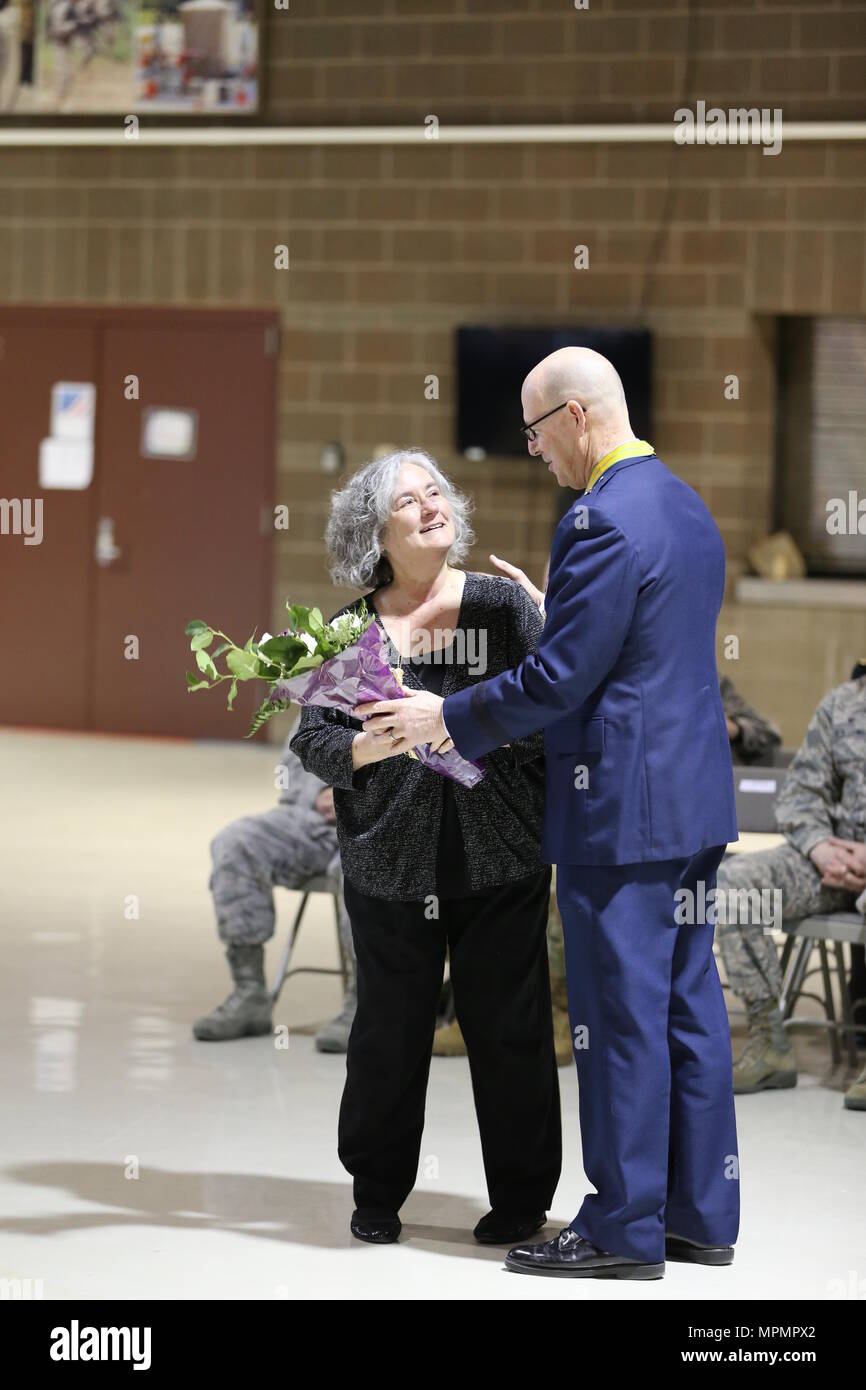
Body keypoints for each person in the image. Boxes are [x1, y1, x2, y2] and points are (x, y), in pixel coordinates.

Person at [358, 347, 740, 1279]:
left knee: (617, 1019)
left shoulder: (598, 519)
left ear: (573, 418)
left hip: (623, 810)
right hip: (692, 804)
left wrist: (445, 715)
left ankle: (620, 1228)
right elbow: (637, 650)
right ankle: (697, 1215)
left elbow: (563, 681)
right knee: (689, 1010)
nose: (535, 454)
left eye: (534, 434)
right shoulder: (684, 505)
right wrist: (559, 606)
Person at [290, 449, 562, 1247]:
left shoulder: (504, 610)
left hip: (502, 851)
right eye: (408, 500)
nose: (430, 506)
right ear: (376, 531)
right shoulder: (348, 631)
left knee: (509, 1029)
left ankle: (519, 1199)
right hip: (388, 857)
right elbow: (315, 741)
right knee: (389, 1029)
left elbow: (553, 721)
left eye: (435, 492)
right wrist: (376, 746)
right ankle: (376, 1190)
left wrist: (458, 725)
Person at [717, 671, 866, 1110]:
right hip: (829, 863)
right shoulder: (843, 704)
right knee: (736, 883)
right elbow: (800, 795)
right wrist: (822, 849)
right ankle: (769, 1041)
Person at [193, 736, 357, 1054]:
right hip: (311, 817)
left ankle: (364, 1001)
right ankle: (249, 991)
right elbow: (299, 751)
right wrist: (318, 793)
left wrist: (358, 798)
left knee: (360, 868)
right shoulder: (324, 686)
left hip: (378, 822)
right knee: (236, 842)